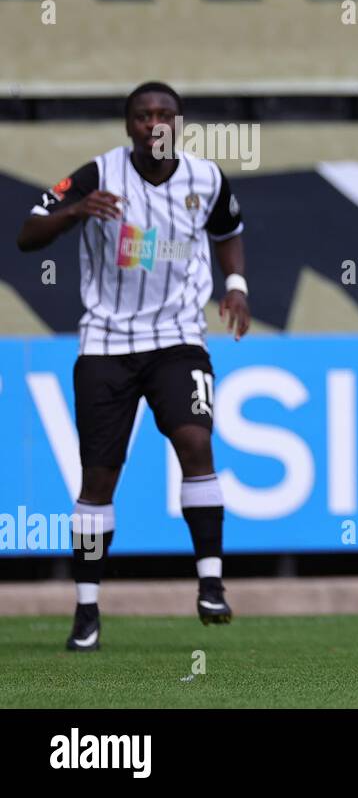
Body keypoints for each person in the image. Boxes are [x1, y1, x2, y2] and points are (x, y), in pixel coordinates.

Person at [17, 81, 251, 651]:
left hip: (177, 337)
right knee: (99, 478)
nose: (154, 124)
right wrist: (74, 211)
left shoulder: (207, 178)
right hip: (107, 343)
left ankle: (211, 583)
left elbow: (228, 231)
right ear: (128, 127)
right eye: (143, 115)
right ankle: (87, 610)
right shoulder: (98, 175)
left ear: (179, 123)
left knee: (196, 443)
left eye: (164, 114)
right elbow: (27, 235)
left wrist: (236, 285)